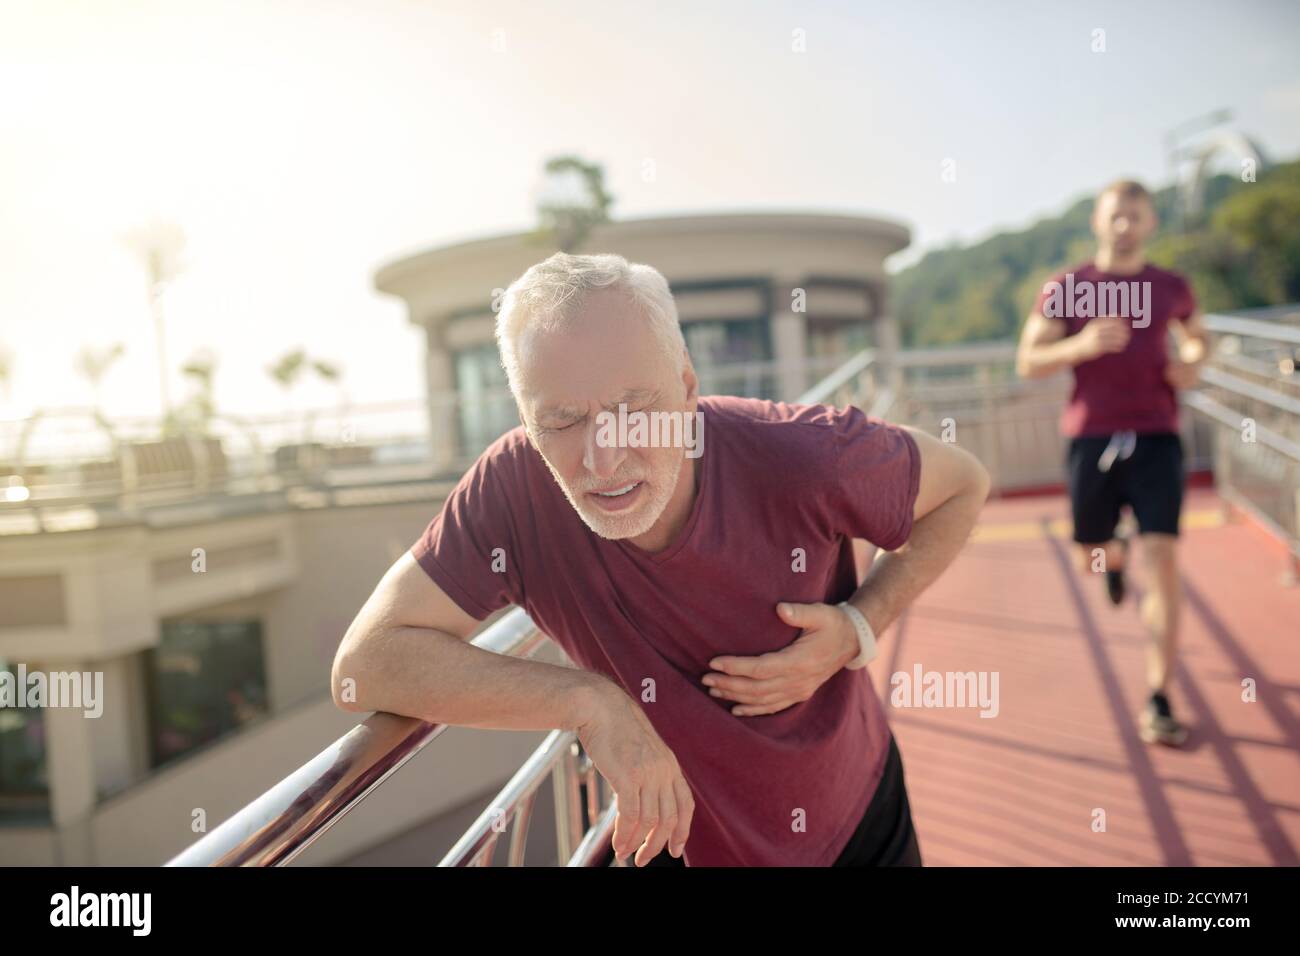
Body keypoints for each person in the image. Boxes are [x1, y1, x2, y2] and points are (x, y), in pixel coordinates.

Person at [333, 252, 990, 866]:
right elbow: (364, 667)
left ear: (686, 388)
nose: (603, 459)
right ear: (526, 420)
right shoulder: (513, 486)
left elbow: (963, 484)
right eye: (560, 419)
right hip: (676, 847)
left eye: (633, 409)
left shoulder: (798, 455)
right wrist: (589, 703)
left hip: (856, 827)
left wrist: (860, 625)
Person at [1016, 179, 1207, 747]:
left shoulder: (1171, 286)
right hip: (1091, 439)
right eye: (1116, 216)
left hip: (1156, 437)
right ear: (1098, 222)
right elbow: (1027, 360)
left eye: (1136, 216)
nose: (1125, 225)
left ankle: (1159, 695)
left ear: (1150, 223)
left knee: (1166, 559)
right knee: (1091, 558)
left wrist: (1192, 361)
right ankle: (1112, 559)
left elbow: (1198, 338)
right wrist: (1079, 345)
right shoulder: (1069, 288)